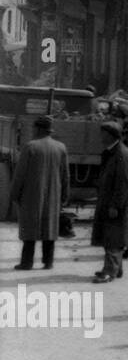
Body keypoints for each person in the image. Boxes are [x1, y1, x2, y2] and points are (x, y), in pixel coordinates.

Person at [10, 114, 69, 270]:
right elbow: (65, 175)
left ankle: (27, 262)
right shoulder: (61, 147)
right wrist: (64, 196)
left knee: (29, 228)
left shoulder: (31, 147)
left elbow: (20, 174)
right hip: (53, 195)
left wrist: (14, 194)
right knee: (49, 227)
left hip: (31, 195)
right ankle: (48, 262)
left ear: (38, 129)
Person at [91, 121, 128, 283]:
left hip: (119, 205)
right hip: (110, 201)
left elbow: (124, 182)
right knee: (111, 236)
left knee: (114, 238)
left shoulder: (122, 154)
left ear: (111, 135)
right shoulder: (112, 152)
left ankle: (109, 271)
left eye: (103, 133)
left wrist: (115, 205)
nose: (100, 136)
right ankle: (116, 269)